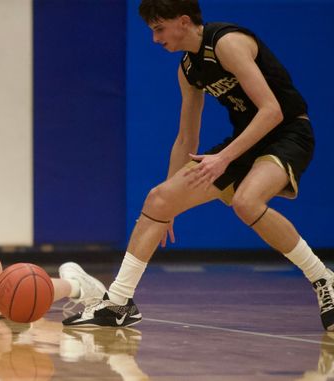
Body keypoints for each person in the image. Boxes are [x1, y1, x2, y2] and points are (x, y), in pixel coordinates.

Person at [66, 0, 329, 329]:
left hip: (288, 132)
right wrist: (171, 200)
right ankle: (118, 303)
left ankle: (323, 279)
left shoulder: (227, 43)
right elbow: (186, 140)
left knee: (247, 201)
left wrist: (224, 157)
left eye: (159, 29)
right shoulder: (188, 70)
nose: (155, 39)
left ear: (184, 21)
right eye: (152, 31)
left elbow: (272, 111)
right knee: (157, 199)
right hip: (245, 141)